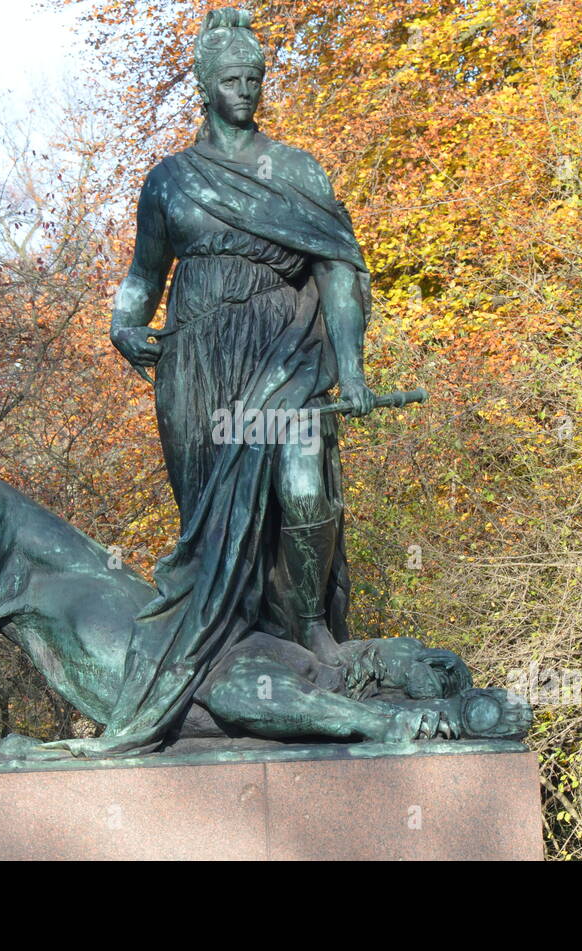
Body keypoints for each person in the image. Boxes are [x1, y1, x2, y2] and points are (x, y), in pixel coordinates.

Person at [62, 7, 377, 757]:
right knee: (216, 529)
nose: (246, 91)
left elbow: (337, 269)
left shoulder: (298, 169)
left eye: (255, 79)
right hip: (199, 372)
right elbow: (142, 280)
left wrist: (353, 366)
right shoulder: (169, 182)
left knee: (304, 490)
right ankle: (232, 652)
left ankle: (308, 627)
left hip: (285, 355)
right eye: (232, 80)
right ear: (204, 87)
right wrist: (123, 325)